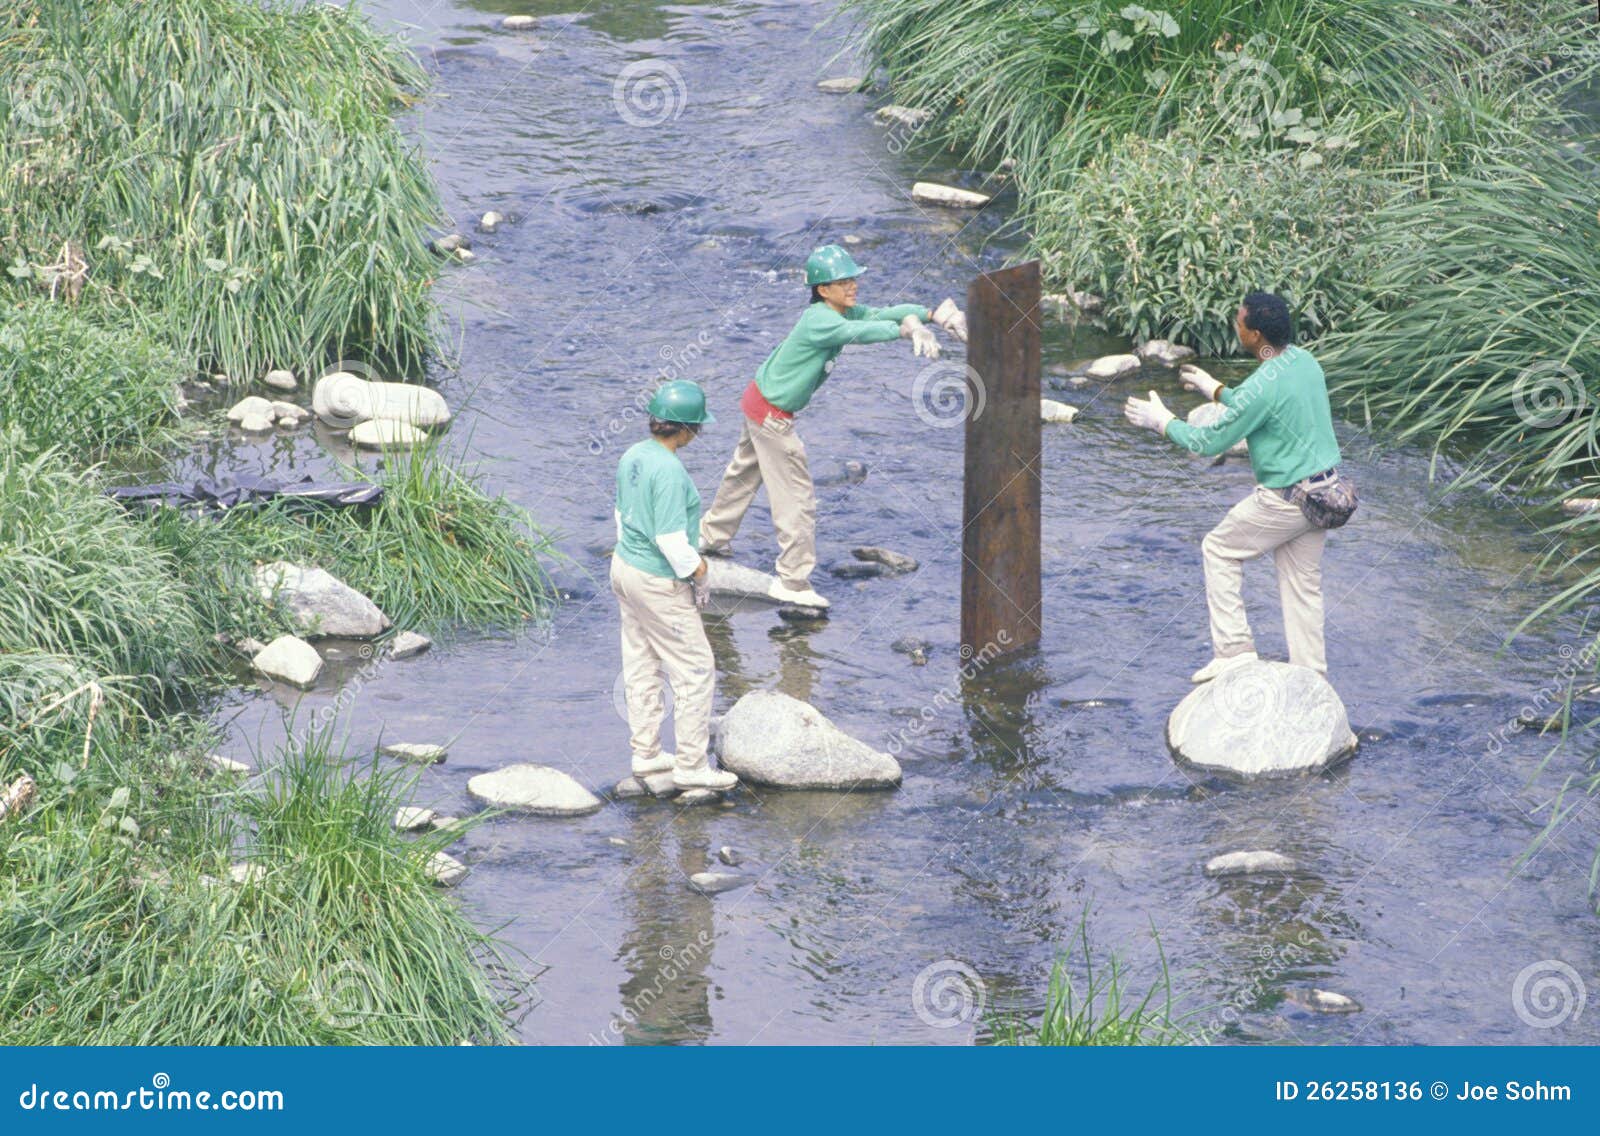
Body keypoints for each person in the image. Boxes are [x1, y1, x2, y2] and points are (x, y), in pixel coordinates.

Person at [698, 244, 966, 608]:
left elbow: (880, 313)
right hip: (773, 417)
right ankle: (793, 581)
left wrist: (930, 314)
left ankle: (711, 537)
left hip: (758, 402)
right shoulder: (821, 320)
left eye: (854, 279)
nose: (852, 286)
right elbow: (863, 332)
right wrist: (905, 332)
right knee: (796, 498)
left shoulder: (837, 310)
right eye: (843, 282)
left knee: (743, 475)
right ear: (823, 290)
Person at [1122, 291, 1343, 682]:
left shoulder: (1263, 385)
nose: (1235, 325)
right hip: (1327, 495)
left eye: (1239, 322)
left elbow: (1207, 443)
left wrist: (1161, 421)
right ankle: (1313, 677)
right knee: (1302, 585)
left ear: (1255, 334)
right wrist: (1216, 389)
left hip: (1287, 501)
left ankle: (1234, 651)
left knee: (1219, 550)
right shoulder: (1303, 362)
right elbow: (1262, 402)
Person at [612, 380, 737, 791]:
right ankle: (690, 765)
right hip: (657, 579)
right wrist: (700, 573)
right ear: (685, 430)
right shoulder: (670, 471)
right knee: (696, 670)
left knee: (642, 662)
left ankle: (646, 755)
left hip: (624, 567)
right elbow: (670, 541)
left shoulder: (633, 455)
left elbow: (620, 514)